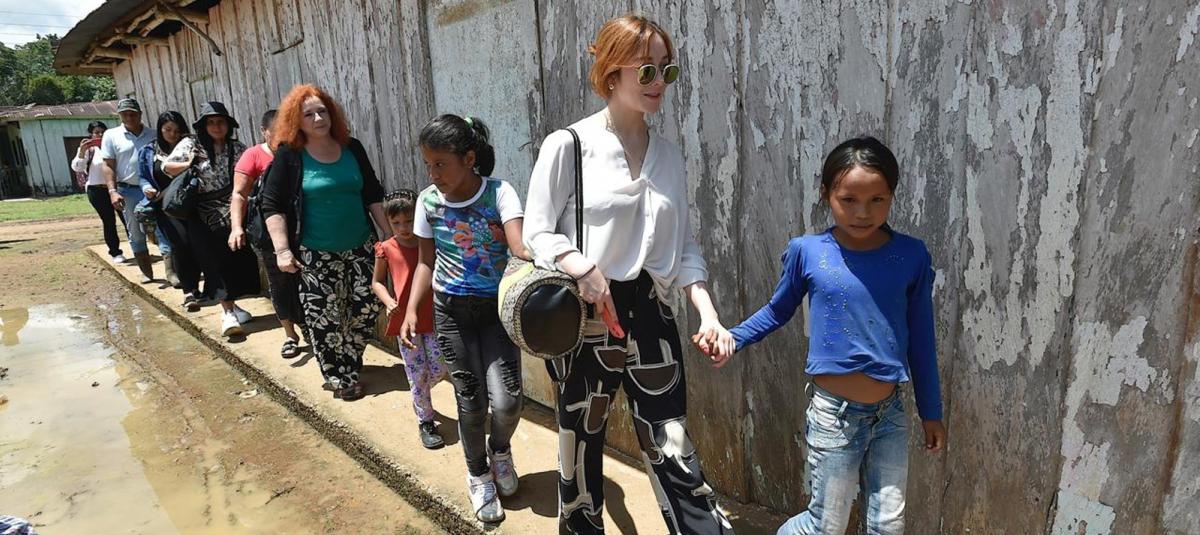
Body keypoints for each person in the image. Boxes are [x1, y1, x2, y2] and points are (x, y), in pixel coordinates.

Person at [523, 14, 734, 534]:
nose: (659, 82)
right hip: (585, 314)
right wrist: (583, 268)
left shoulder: (669, 157)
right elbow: (536, 232)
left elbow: (684, 245)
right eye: (646, 71)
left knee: (673, 444)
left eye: (668, 71)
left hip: (652, 315)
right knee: (579, 447)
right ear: (610, 73)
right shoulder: (568, 145)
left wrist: (706, 312)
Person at [716, 137, 947, 535]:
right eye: (848, 199)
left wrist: (931, 411)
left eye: (878, 199)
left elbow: (922, 340)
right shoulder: (809, 251)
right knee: (826, 526)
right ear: (826, 195)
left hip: (889, 414)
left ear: (892, 196)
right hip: (833, 417)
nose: (863, 212)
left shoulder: (911, 255)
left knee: (888, 525)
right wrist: (733, 338)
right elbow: (778, 310)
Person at [399, 115, 527, 523]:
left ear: (469, 158)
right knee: (470, 404)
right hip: (451, 312)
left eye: (441, 164)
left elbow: (519, 248)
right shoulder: (427, 202)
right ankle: (478, 475)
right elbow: (425, 263)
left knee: (506, 402)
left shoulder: (500, 193)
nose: (432, 174)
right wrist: (410, 311)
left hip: (496, 313)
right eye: (428, 165)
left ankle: (500, 451)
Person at [260, 84, 390, 401]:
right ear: (296, 120)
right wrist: (282, 250)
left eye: (323, 111)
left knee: (367, 308)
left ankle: (349, 358)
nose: (319, 118)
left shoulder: (352, 148)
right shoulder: (291, 155)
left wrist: (388, 236)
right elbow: (272, 204)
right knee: (326, 318)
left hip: (360, 246)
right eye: (309, 114)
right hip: (315, 253)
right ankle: (338, 375)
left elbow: (372, 193)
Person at [162, 102, 260, 336]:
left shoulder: (237, 148)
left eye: (221, 122)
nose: (216, 126)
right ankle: (227, 314)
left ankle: (232, 305)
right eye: (211, 122)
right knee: (214, 263)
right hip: (202, 213)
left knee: (235, 261)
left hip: (234, 212)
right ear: (203, 126)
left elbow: (251, 172)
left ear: (228, 125)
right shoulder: (191, 145)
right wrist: (189, 164)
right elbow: (167, 167)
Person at [371, 190, 448, 449]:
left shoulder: (432, 244)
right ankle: (425, 420)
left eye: (408, 220)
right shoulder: (387, 249)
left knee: (438, 368)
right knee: (417, 374)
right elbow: (377, 283)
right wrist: (389, 301)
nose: (404, 228)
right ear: (389, 223)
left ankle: (420, 397)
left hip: (435, 318)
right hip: (407, 324)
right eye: (396, 223)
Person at [228, 109, 304, 358]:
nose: (285, 136)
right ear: (265, 132)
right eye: (279, 131)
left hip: (302, 229)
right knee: (279, 283)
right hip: (269, 234)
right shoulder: (253, 155)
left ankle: (310, 328)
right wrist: (237, 227)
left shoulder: (299, 154)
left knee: (305, 283)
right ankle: (290, 335)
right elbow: (239, 194)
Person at [99, 98, 156, 282]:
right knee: (135, 231)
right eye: (125, 114)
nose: (129, 117)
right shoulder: (111, 135)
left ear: (140, 114)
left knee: (162, 229)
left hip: (153, 190)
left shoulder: (153, 134)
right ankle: (146, 272)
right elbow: (108, 165)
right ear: (120, 116)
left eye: (133, 113)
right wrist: (112, 191)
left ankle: (173, 272)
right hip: (128, 189)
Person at [138, 111, 194, 290]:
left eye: (177, 130)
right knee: (175, 240)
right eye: (168, 129)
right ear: (160, 129)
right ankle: (176, 276)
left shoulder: (191, 147)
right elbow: (143, 176)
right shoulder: (149, 151)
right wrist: (147, 188)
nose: (172, 134)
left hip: (190, 203)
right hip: (164, 204)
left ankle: (191, 277)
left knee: (191, 241)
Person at [71, 120, 126, 263]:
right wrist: (82, 151)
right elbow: (77, 167)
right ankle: (115, 252)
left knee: (128, 219)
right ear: (90, 134)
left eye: (102, 132)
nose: (100, 135)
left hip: (117, 188)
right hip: (97, 190)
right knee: (109, 221)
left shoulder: (113, 145)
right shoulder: (89, 150)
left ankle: (138, 248)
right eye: (96, 132)